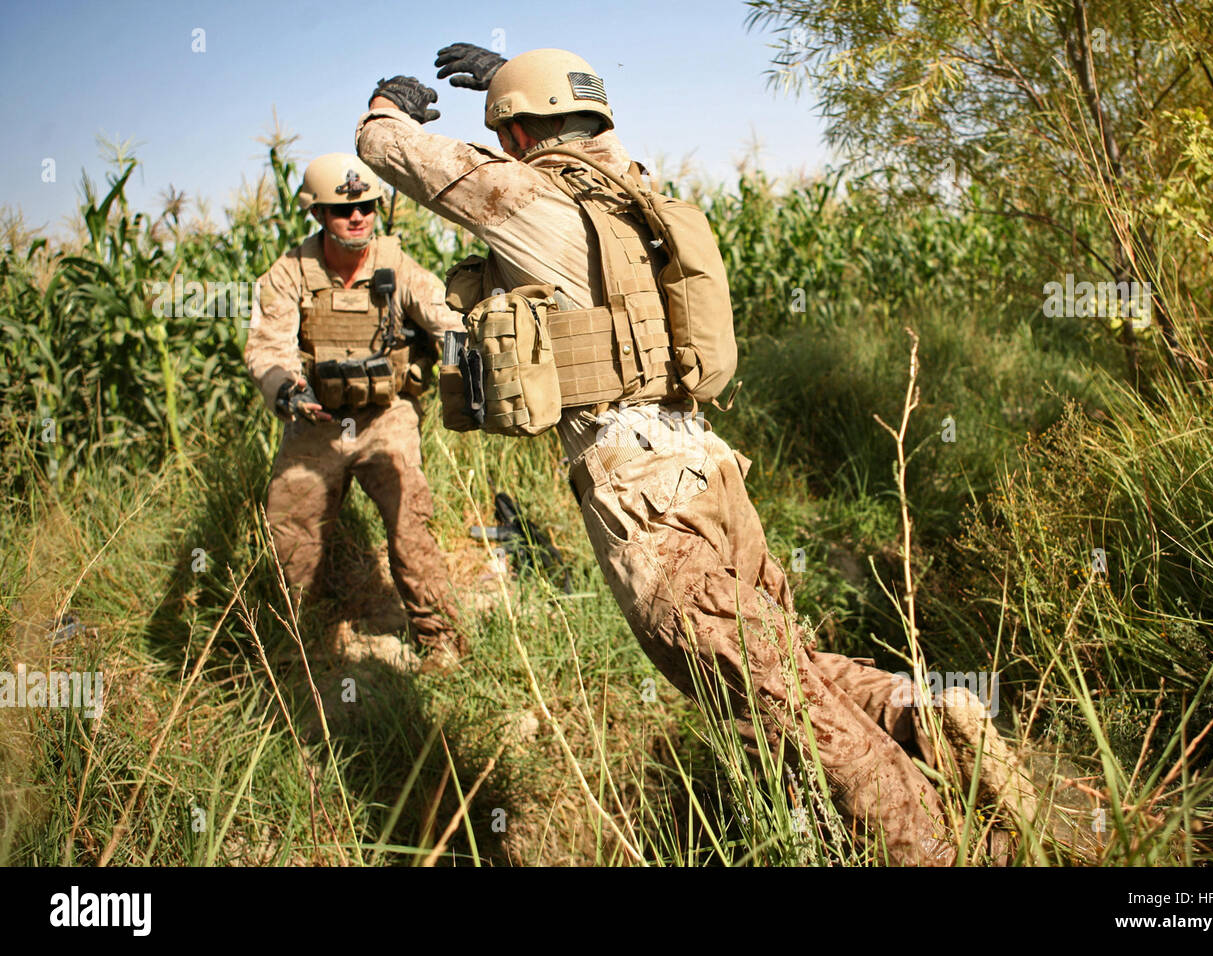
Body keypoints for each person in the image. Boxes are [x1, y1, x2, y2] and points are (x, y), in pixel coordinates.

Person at [357, 51, 1031, 863]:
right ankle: (920, 713)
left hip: (640, 496)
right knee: (791, 661)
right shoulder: (632, 194)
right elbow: (576, 144)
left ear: (522, 132)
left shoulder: (527, 197)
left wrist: (387, 104)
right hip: (710, 467)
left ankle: (938, 848)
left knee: (771, 703)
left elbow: (388, 152)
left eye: (506, 131)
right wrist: (520, 76)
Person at [244, 153, 466, 672]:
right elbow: (267, 348)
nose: (358, 218)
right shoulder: (288, 274)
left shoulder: (396, 263)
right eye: (344, 211)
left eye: (366, 206)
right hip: (317, 421)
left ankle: (442, 642)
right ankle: (299, 642)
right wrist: (285, 388)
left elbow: (440, 315)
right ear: (318, 214)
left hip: (386, 417)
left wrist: (461, 352)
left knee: (411, 524)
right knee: (291, 529)